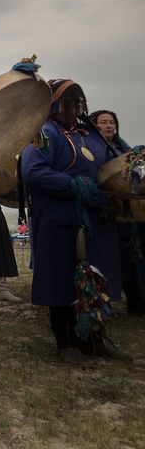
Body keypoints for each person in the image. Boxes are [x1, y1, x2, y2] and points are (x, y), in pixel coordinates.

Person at [21, 80, 128, 366]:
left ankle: (95, 338)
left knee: (98, 278)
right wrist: (74, 185)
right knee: (63, 279)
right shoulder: (44, 133)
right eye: (71, 101)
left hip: (96, 220)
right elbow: (33, 171)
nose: (78, 107)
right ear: (55, 104)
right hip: (61, 221)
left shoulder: (89, 134)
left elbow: (111, 168)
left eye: (80, 101)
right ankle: (67, 343)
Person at [90, 109, 145, 314]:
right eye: (103, 122)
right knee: (108, 257)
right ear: (94, 126)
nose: (109, 125)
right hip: (103, 211)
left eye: (111, 122)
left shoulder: (123, 148)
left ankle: (135, 300)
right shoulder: (91, 148)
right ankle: (103, 302)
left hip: (126, 214)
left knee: (130, 257)